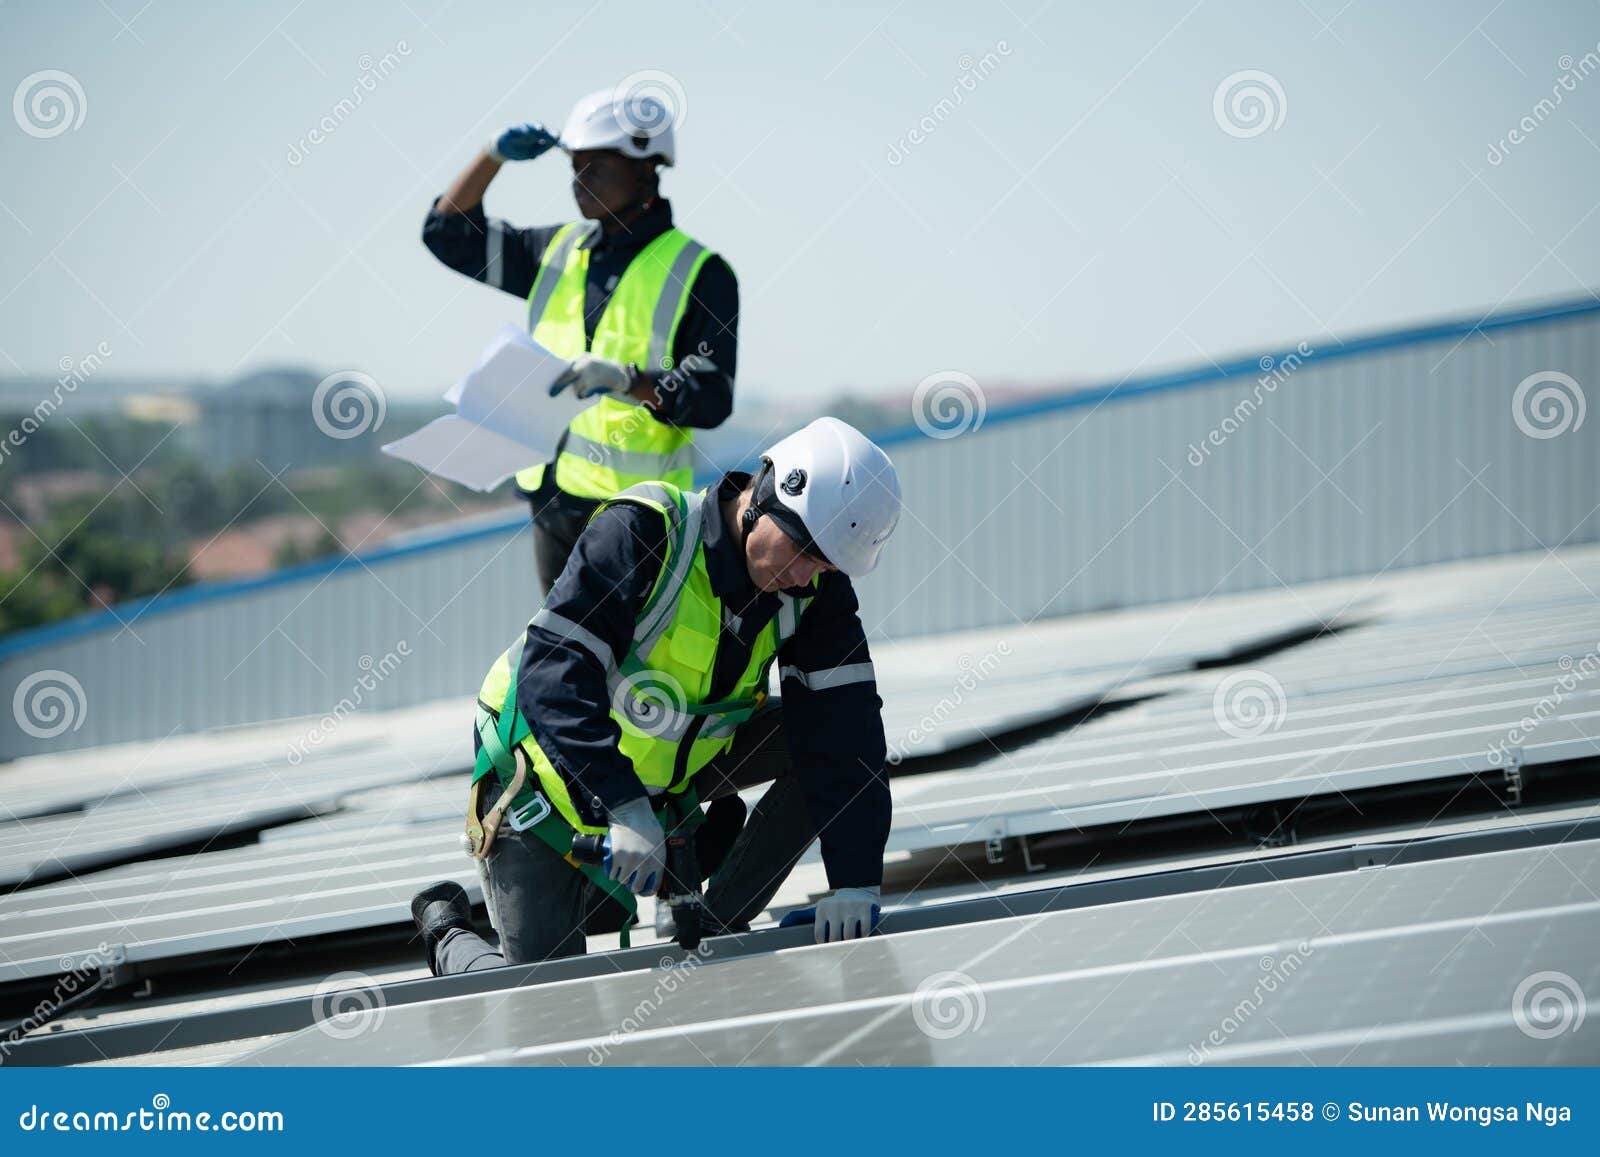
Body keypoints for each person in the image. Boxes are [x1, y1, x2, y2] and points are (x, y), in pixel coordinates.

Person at [412, 418, 900, 972]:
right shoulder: (645, 531)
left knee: (811, 739)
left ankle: (715, 925)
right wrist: (621, 806)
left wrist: (856, 881)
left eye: (824, 564)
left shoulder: (813, 588)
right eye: (802, 550)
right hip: (541, 774)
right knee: (536, 996)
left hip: (671, 774)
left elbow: (848, 730)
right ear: (763, 496)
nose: (805, 575)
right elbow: (552, 675)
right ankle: (448, 931)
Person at [422, 88, 740, 593]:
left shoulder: (702, 273)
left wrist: (626, 381)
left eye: (596, 167)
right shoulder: (553, 250)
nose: (579, 181)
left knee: (629, 664)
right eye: (574, 167)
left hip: (638, 515)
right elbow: (446, 233)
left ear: (646, 168)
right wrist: (492, 155)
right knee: (567, 661)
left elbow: (711, 399)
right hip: (552, 506)